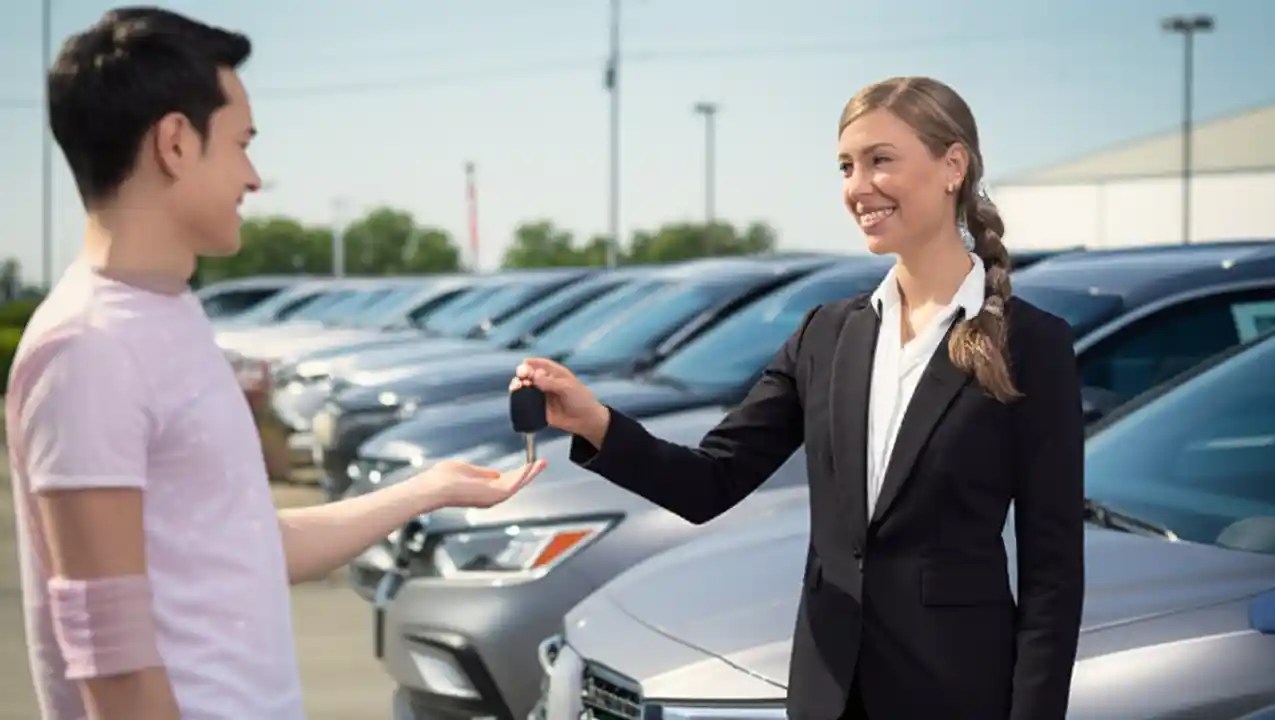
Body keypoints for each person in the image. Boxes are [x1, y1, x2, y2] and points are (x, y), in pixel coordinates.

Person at [6, 8, 544, 720]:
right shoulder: (87, 348)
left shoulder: (168, 315)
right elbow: (115, 669)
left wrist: (428, 490)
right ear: (175, 142)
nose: (254, 177)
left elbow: (250, 546)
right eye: (241, 144)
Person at [512, 76, 1085, 719]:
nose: (858, 186)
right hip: (826, 694)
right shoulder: (826, 335)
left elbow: (1054, 575)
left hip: (955, 696)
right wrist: (596, 423)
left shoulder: (1033, 345)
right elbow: (711, 481)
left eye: (880, 159)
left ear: (953, 166)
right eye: (846, 166)